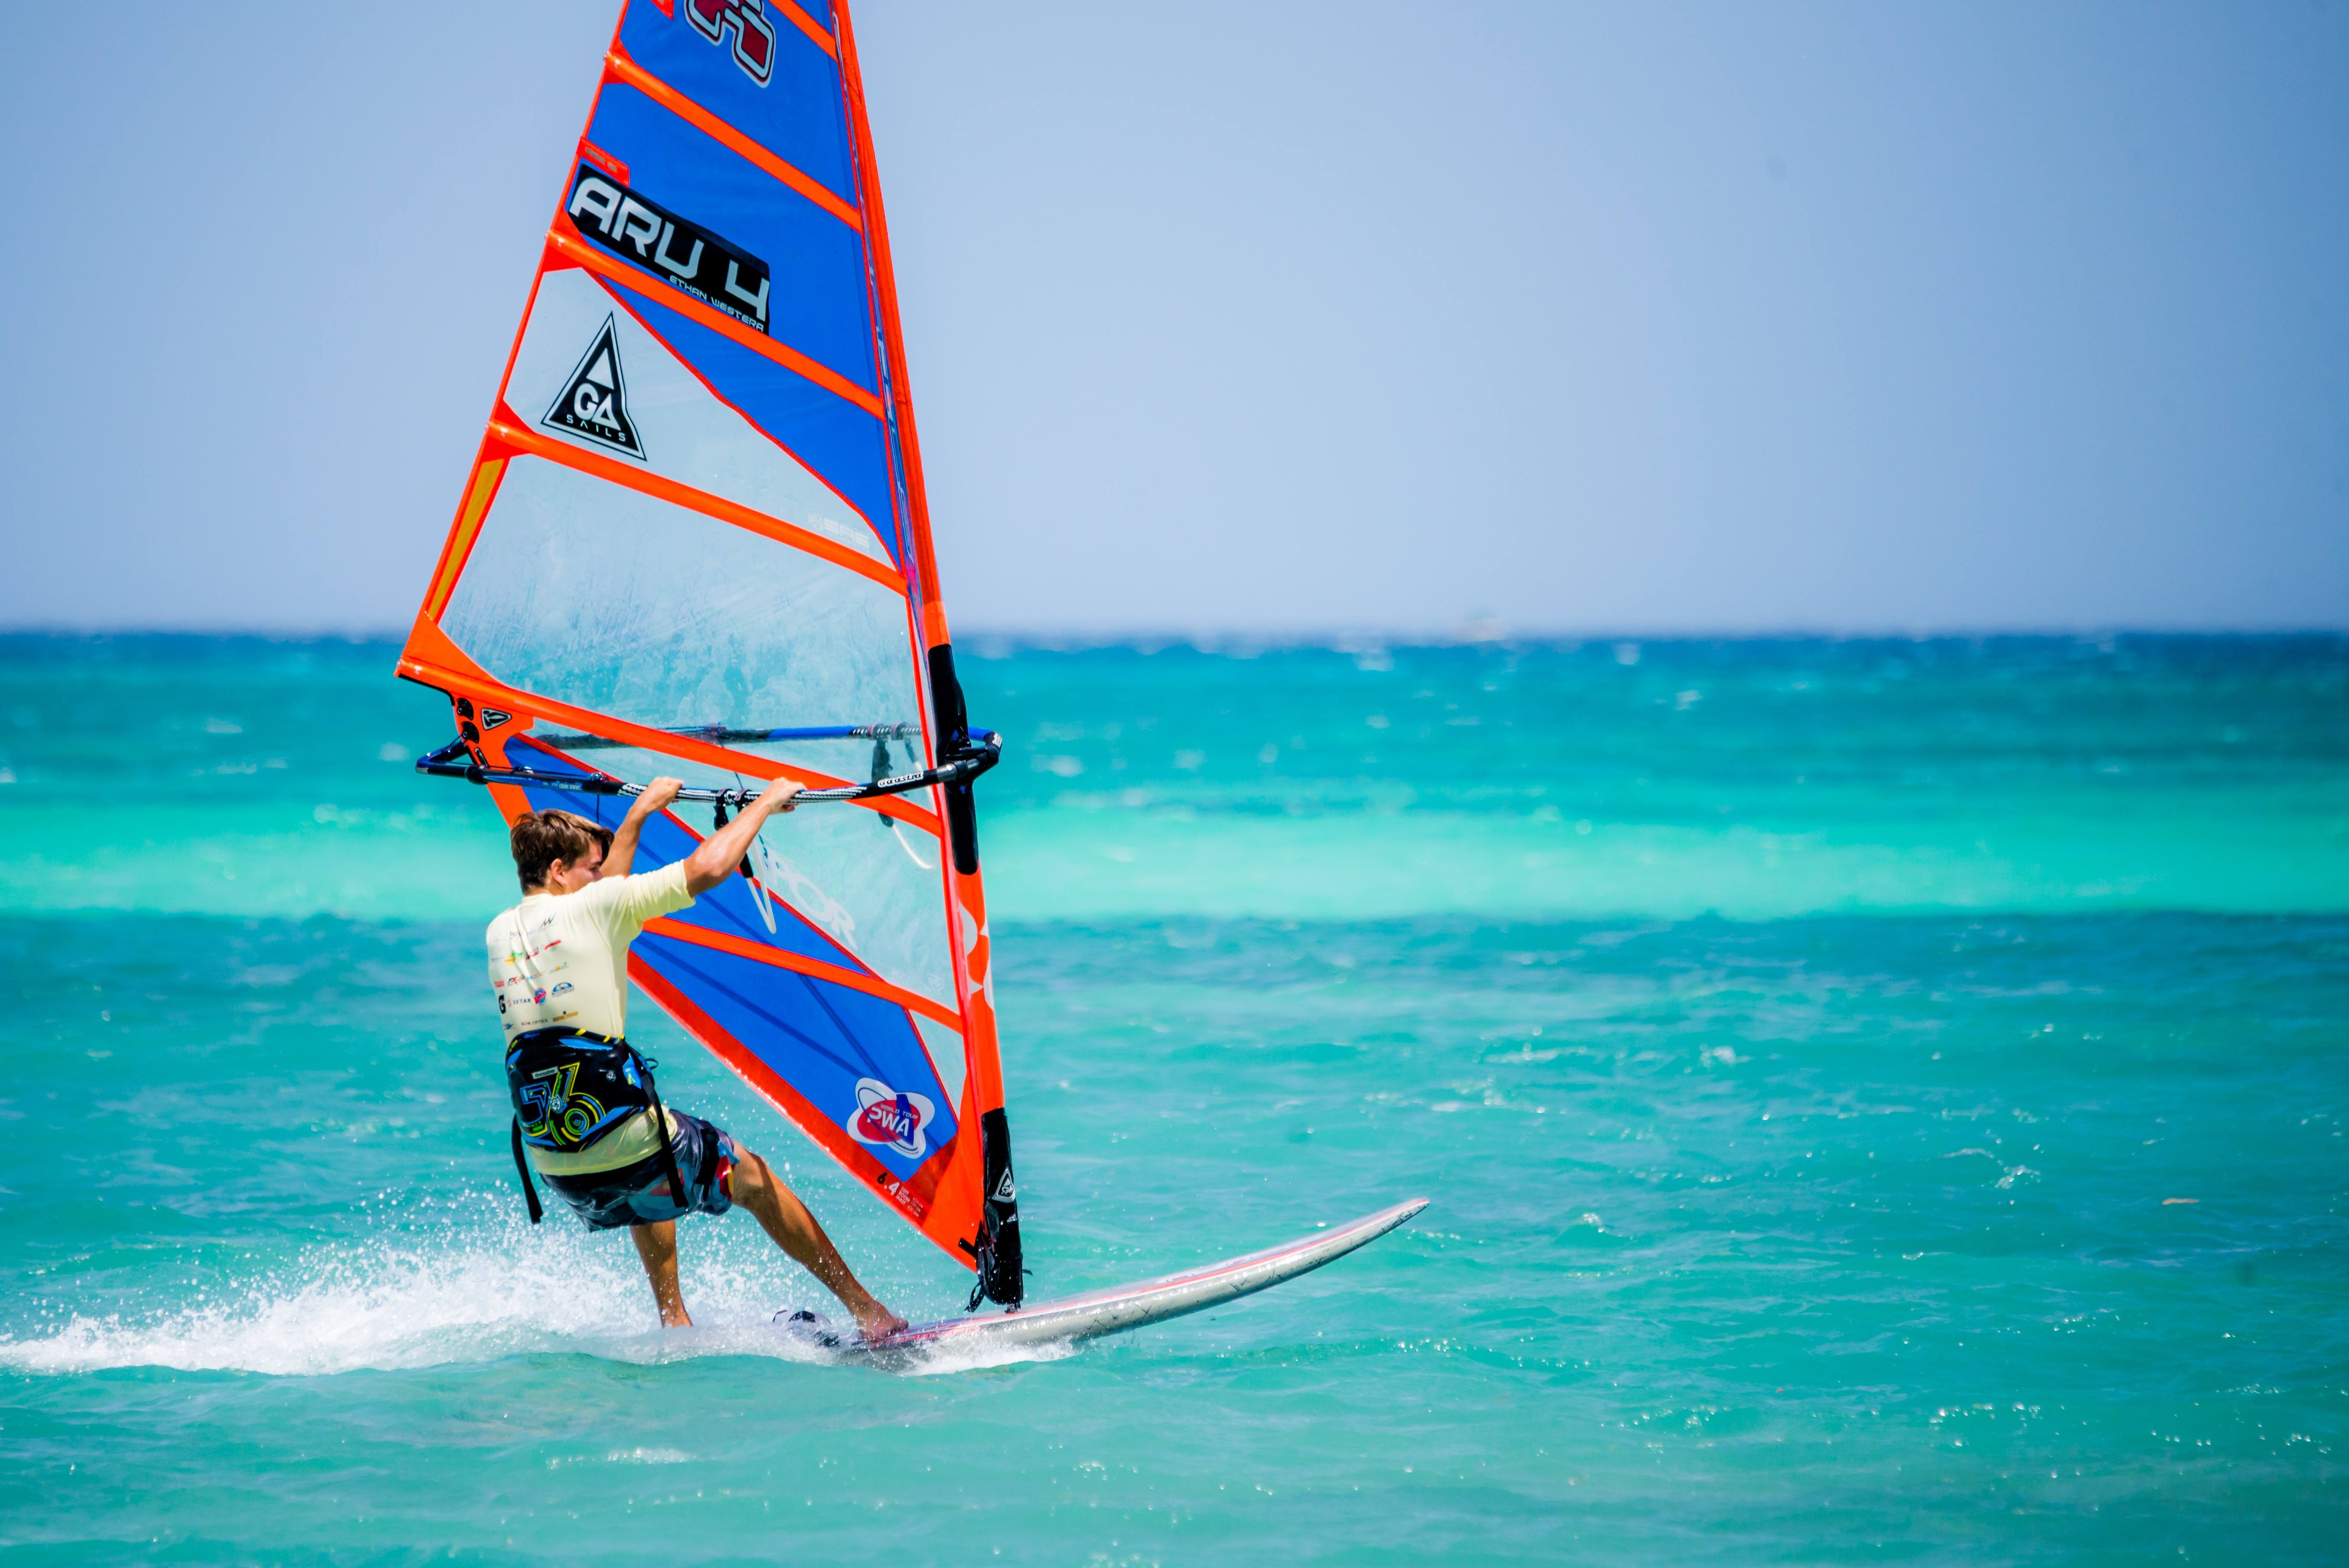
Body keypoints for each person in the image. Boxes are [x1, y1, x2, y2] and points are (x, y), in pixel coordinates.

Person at [486, 773, 907, 1341]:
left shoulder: (501, 931)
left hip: (558, 1164)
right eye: (589, 867)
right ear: (560, 871)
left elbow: (604, 887)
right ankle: (869, 1311)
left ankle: (674, 1320)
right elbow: (708, 868)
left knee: (652, 1147)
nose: (601, 878)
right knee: (749, 1175)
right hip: (621, 1141)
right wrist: (761, 805)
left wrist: (636, 818)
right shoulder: (598, 906)